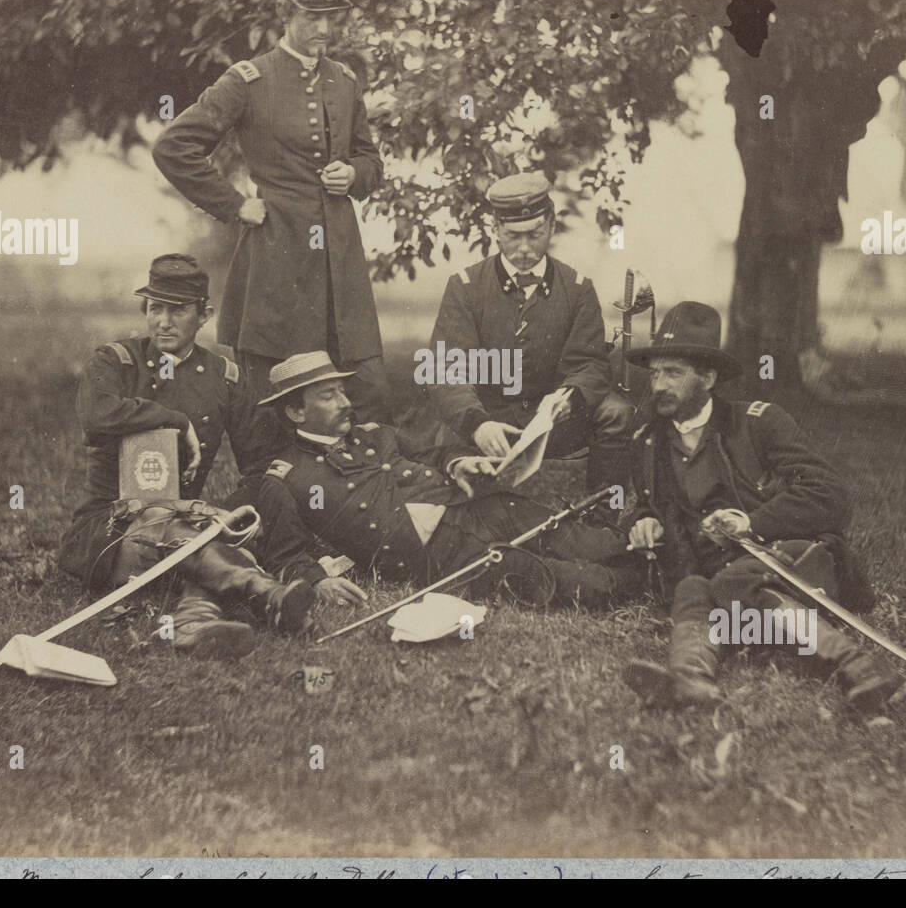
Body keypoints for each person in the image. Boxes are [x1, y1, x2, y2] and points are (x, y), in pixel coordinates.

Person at [55, 256, 360, 658]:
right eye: (155, 308)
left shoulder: (224, 377)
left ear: (204, 315)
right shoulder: (115, 362)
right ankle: (267, 593)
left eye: (178, 310)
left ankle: (193, 624)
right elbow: (95, 418)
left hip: (186, 528)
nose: (163, 321)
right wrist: (175, 420)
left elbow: (259, 465)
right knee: (172, 525)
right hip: (108, 533)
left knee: (226, 529)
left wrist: (225, 516)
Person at [618, 301, 901, 713]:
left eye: (674, 372)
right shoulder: (649, 442)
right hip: (724, 585)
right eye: (656, 372)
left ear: (708, 378)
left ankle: (860, 668)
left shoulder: (758, 422)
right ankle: (691, 681)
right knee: (692, 587)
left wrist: (749, 521)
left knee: (734, 581)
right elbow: (643, 504)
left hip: (797, 565)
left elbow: (829, 495)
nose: (658, 385)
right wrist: (642, 520)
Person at [151, 0, 387, 437]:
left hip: (339, 261)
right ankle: (274, 494)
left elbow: (371, 161)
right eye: (310, 17)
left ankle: (349, 490)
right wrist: (235, 204)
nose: (323, 29)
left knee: (365, 389)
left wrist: (355, 173)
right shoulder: (248, 80)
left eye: (331, 18)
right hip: (278, 259)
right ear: (284, 12)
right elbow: (174, 146)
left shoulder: (344, 81)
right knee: (271, 399)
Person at [227, 351, 649, 610]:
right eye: (329, 395)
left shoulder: (377, 433)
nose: (345, 402)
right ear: (296, 413)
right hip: (446, 553)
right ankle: (661, 580)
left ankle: (664, 554)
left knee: (596, 543)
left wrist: (460, 464)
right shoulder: (285, 478)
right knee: (581, 584)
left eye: (342, 390)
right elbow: (285, 554)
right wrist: (318, 582)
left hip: (486, 507)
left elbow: (436, 452)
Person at [426, 172, 635, 498]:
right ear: (495, 230)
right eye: (512, 236)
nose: (524, 248)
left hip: (552, 424)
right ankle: (464, 514)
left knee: (616, 412)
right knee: (451, 435)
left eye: (535, 234)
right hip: (489, 422)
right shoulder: (465, 287)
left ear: (552, 225)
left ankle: (601, 513)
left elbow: (591, 364)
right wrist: (477, 424)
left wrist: (569, 397)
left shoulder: (578, 289)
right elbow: (445, 371)